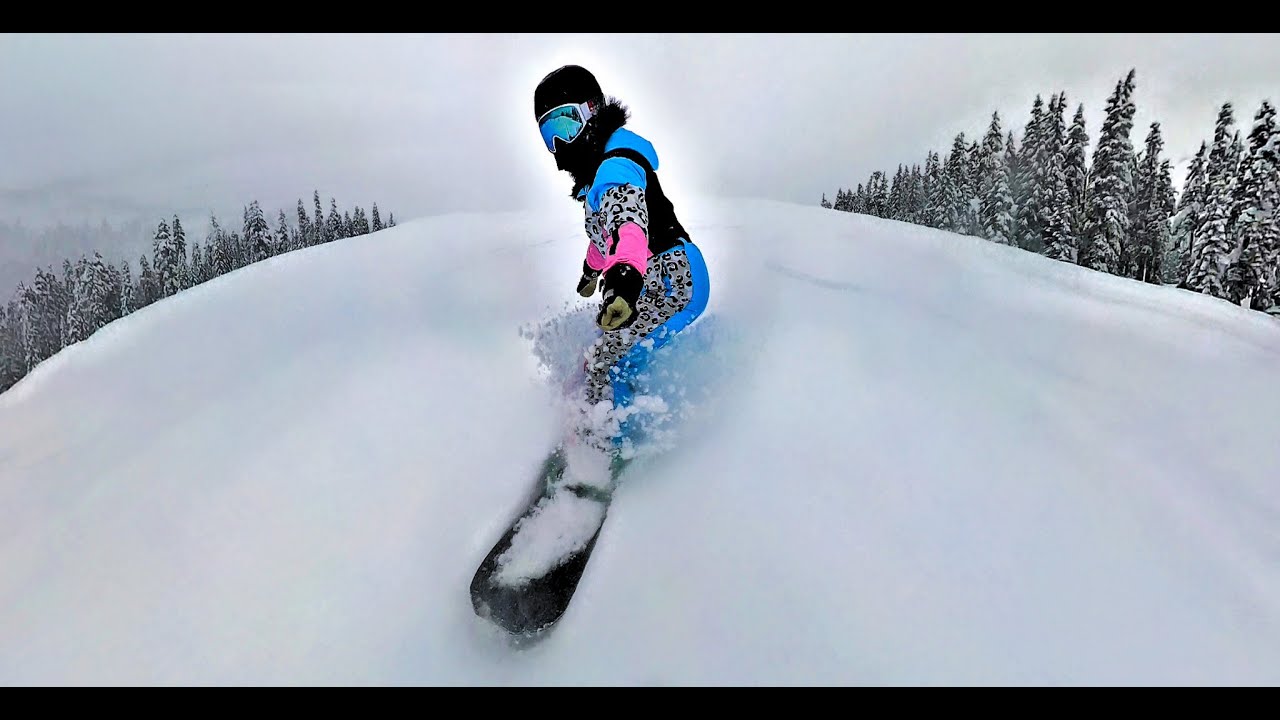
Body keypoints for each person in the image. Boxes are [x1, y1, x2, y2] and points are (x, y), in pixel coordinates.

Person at [533, 64, 710, 447]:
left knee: (610, 360)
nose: (561, 145)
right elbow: (604, 240)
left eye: (566, 124)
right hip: (647, 281)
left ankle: (614, 449)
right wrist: (590, 272)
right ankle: (597, 425)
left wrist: (624, 279)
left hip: (673, 281)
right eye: (550, 135)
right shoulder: (596, 180)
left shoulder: (617, 166)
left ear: (593, 110)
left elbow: (628, 226)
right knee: (598, 353)